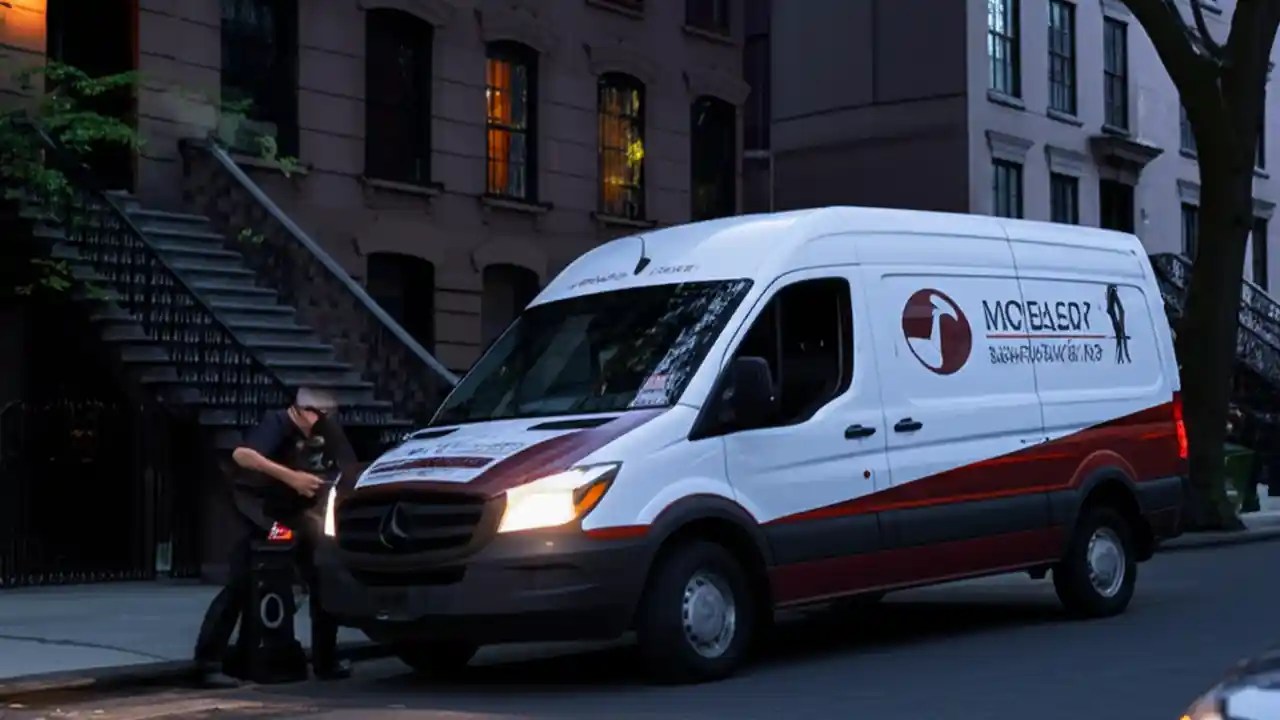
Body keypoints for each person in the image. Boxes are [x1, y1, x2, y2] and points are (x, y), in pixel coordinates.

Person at [193, 388, 353, 686]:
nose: (324, 422)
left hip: (302, 515)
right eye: (319, 414)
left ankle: (325, 660)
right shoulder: (277, 423)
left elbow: (347, 465)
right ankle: (208, 663)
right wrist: (291, 478)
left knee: (322, 577)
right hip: (262, 512)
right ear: (301, 411)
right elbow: (242, 455)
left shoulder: (328, 430)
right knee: (243, 580)